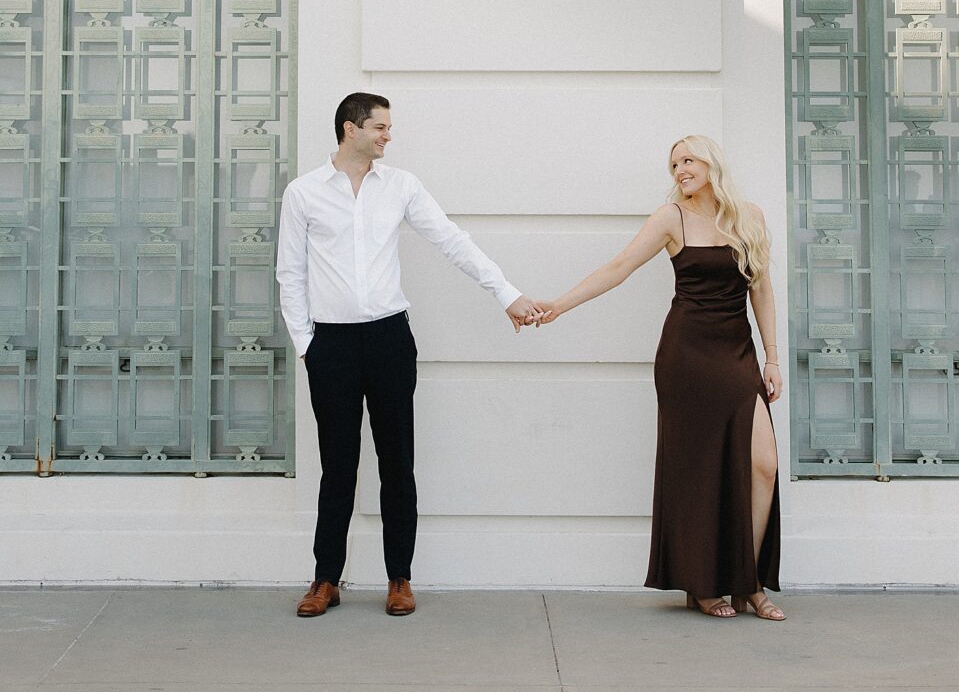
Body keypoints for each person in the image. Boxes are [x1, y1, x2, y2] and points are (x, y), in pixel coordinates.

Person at [276, 92, 540, 619]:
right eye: (380, 127)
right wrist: (308, 345)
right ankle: (326, 578)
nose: (387, 136)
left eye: (388, 127)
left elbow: (451, 240)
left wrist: (505, 292)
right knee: (338, 467)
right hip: (331, 344)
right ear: (350, 129)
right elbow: (290, 274)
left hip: (389, 340)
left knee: (398, 463)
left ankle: (400, 577)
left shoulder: (400, 186)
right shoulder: (303, 193)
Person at [533, 135, 784, 621]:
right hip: (686, 358)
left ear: (712, 162)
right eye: (673, 164)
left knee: (762, 464)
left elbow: (763, 289)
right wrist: (559, 305)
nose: (680, 170)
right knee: (697, 472)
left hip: (736, 354)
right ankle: (703, 584)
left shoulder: (749, 216)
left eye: (688, 160)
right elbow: (620, 266)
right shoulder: (671, 218)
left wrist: (772, 357)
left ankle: (748, 581)